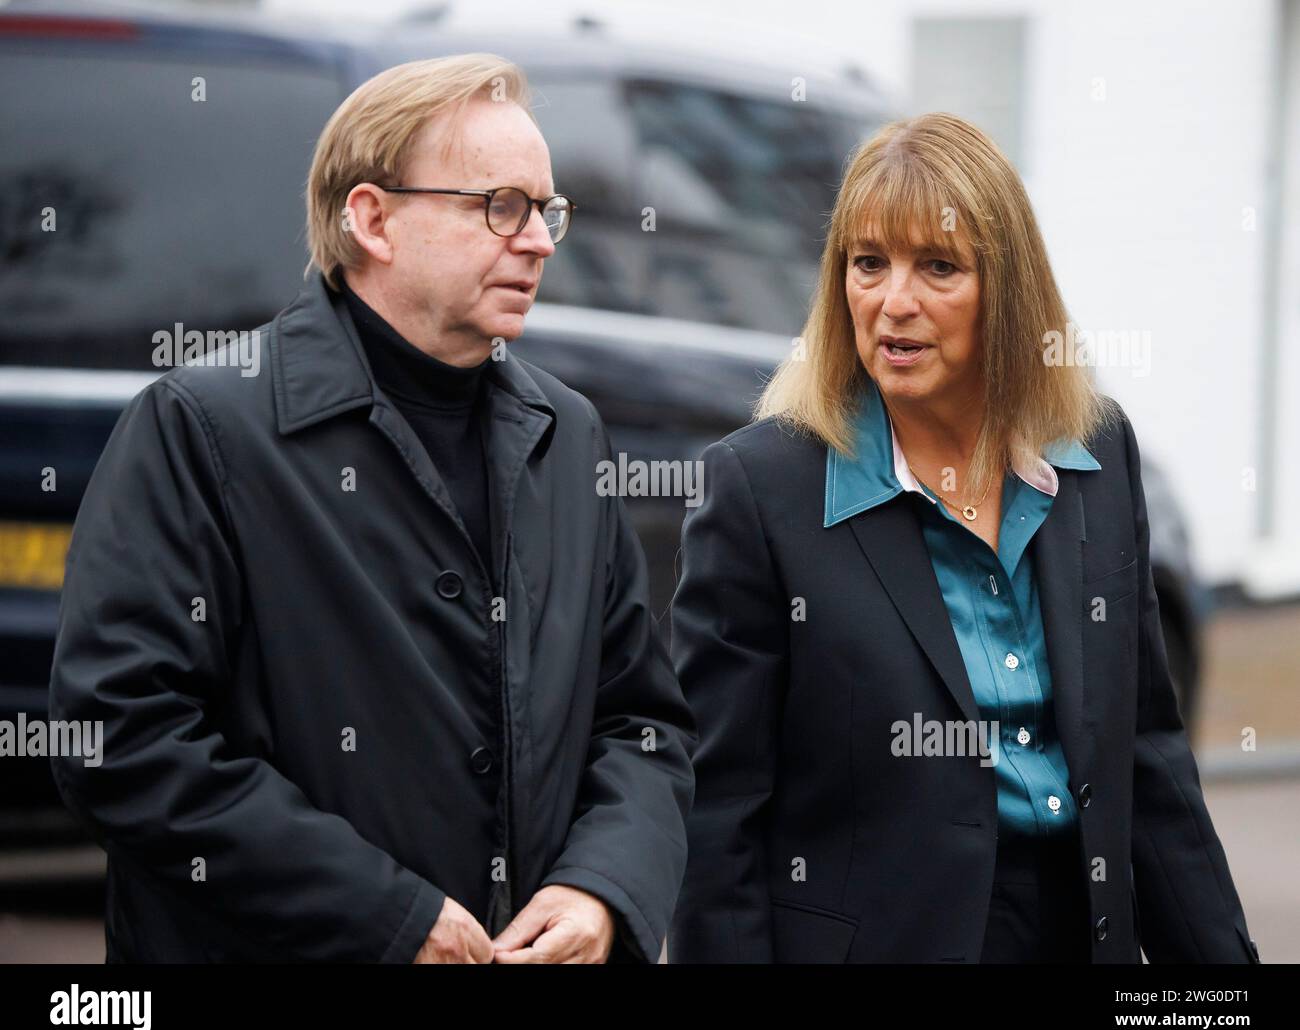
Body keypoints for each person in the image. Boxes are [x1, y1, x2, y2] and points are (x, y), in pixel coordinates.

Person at [48, 55, 695, 964]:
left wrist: (602, 888)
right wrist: (382, 915)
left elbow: (641, 722)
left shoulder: (567, 435)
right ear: (373, 219)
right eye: (500, 206)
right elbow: (123, 737)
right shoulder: (202, 427)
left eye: (548, 212)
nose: (541, 241)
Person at [667, 112, 1258, 964]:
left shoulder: (1095, 450)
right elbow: (715, 814)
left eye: (937, 267)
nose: (893, 301)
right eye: (868, 263)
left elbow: (1147, 758)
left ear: (1007, 293)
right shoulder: (761, 490)